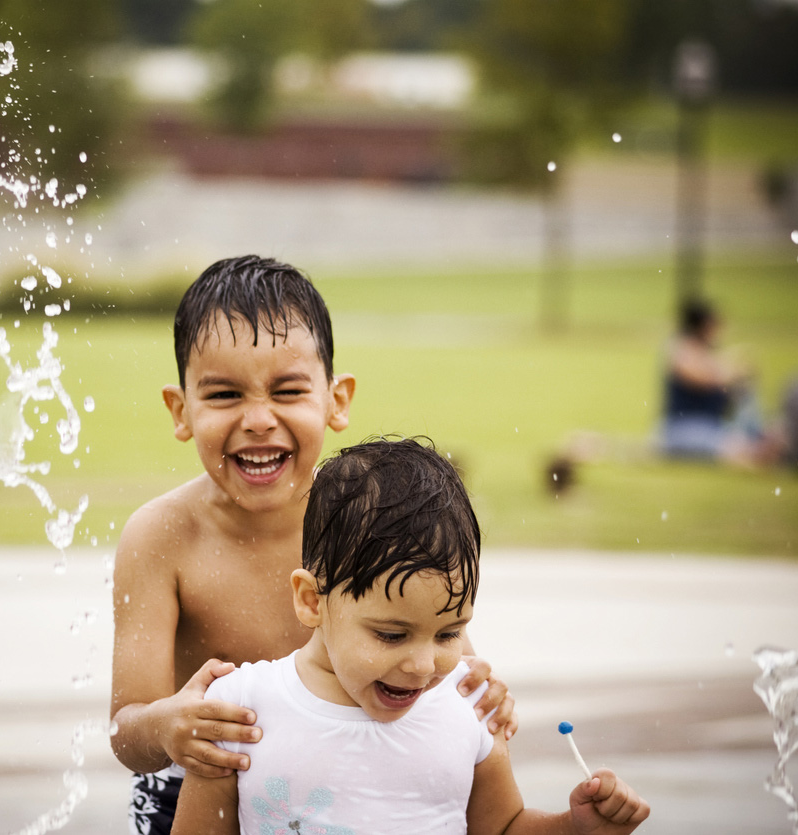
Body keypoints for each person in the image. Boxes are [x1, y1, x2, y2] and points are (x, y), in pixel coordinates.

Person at [110, 256, 519, 835]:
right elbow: (125, 730)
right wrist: (166, 727)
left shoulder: (366, 520)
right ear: (182, 411)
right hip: (197, 782)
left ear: (336, 400)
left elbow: (438, 642)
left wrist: (483, 694)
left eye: (287, 390)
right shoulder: (161, 537)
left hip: (341, 780)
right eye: (224, 394)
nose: (258, 419)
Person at [172, 437, 651, 834]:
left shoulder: (468, 705)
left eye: (449, 634)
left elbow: (502, 827)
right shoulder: (239, 713)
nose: (424, 667)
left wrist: (574, 827)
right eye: (391, 635)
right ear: (312, 601)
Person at [659, 298, 780, 466]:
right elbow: (705, 377)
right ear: (703, 326)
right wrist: (734, 368)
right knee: (739, 448)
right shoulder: (682, 352)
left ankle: (760, 438)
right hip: (685, 429)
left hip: (713, 427)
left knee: (766, 433)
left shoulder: (707, 353)